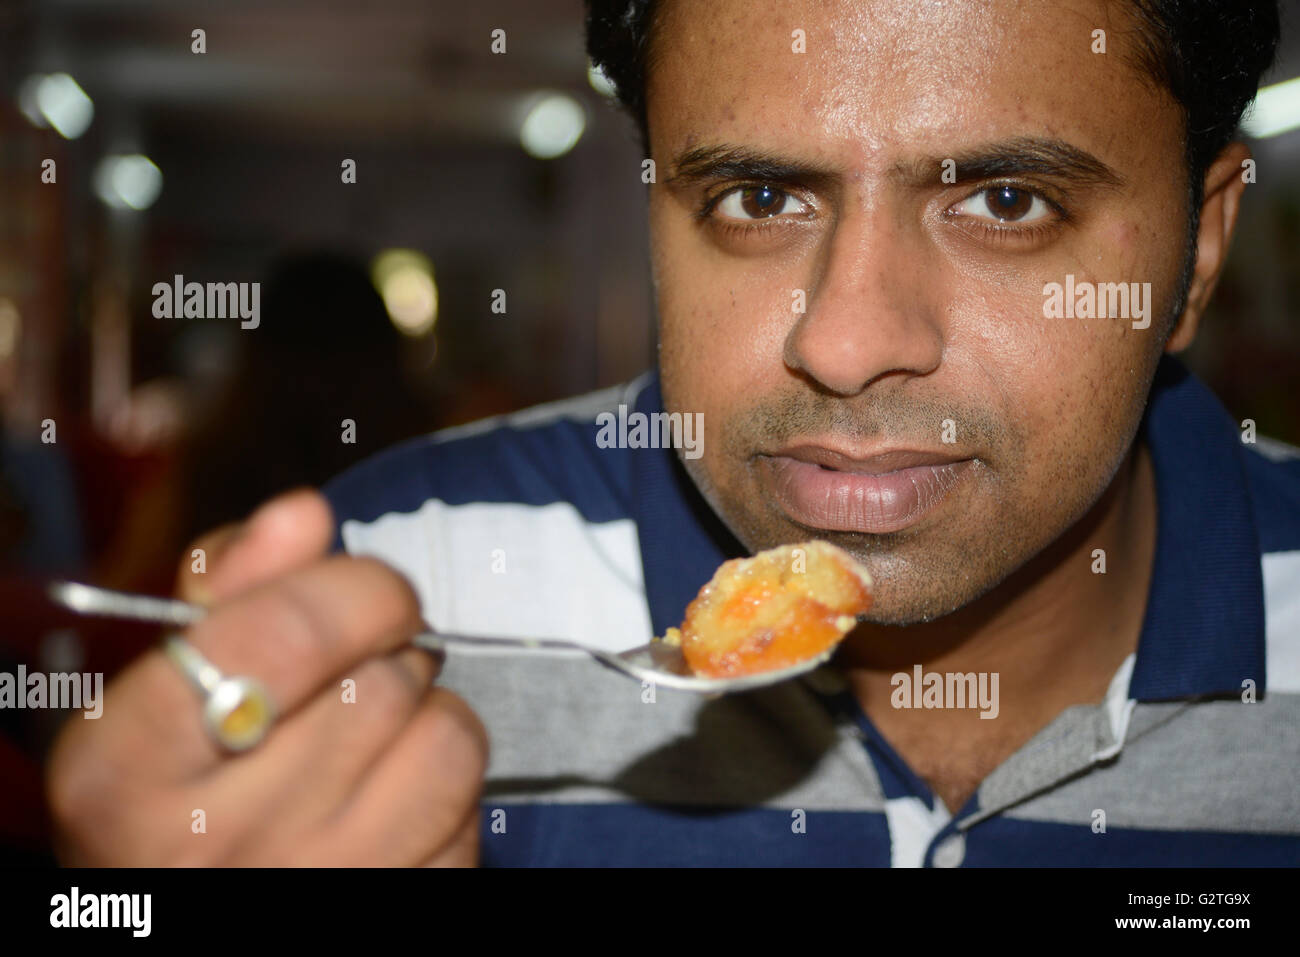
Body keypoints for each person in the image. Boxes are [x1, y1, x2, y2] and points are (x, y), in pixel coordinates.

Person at [47, 0, 1298, 866]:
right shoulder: (404, 591)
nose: (846, 341)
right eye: (759, 197)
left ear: (1195, 251)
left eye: (1006, 201)